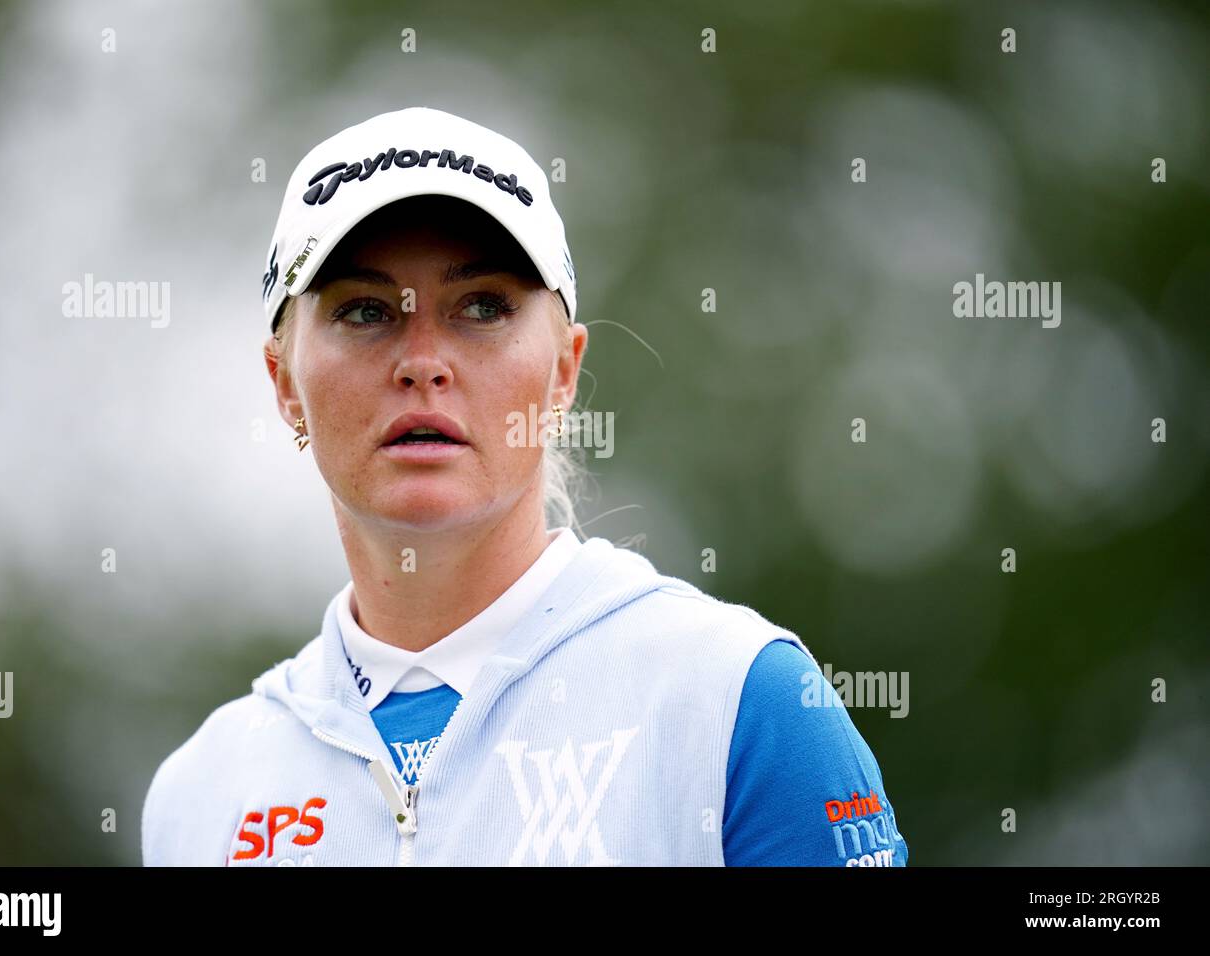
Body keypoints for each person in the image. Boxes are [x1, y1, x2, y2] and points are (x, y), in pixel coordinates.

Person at [141, 106, 908, 867]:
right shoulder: (202, 794)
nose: (423, 362)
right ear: (284, 384)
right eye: (365, 310)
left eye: (483, 308)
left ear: (564, 371)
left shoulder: (738, 700)